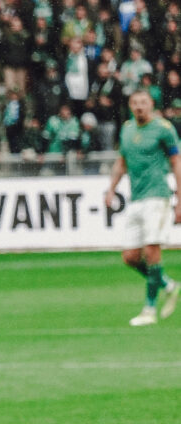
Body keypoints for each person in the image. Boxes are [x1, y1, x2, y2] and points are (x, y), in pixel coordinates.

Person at [103, 89, 181, 326]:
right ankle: (168, 284)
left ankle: (149, 310)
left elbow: (176, 161)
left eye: (143, 103)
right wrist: (111, 188)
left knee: (151, 251)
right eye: (135, 103)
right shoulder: (127, 129)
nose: (139, 107)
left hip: (157, 196)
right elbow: (122, 162)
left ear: (151, 105)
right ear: (130, 105)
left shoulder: (163, 129)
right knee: (130, 256)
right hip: (136, 198)